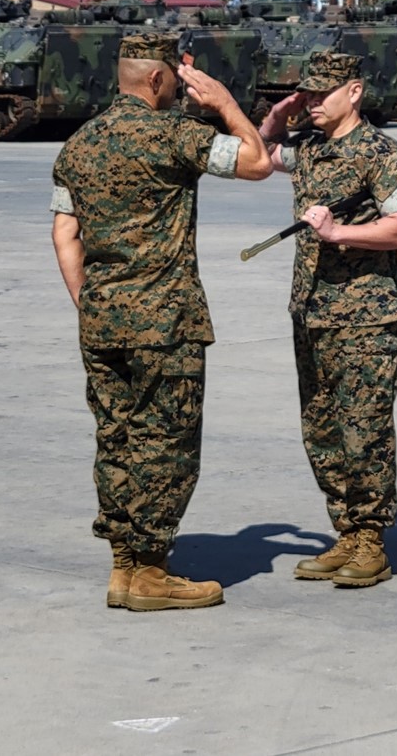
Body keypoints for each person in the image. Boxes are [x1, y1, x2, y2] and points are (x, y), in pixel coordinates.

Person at [50, 33, 271, 610]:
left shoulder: (78, 145)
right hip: (165, 323)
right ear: (155, 79)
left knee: (116, 438)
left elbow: (64, 233)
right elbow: (256, 162)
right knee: (166, 445)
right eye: (175, 77)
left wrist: (92, 301)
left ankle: (124, 566)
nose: (178, 86)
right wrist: (223, 104)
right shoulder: (174, 135)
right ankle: (150, 571)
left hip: (101, 320)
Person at [257, 51, 397, 588]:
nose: (313, 102)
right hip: (310, 312)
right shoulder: (309, 150)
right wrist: (281, 112)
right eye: (308, 91)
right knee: (321, 428)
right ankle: (345, 530)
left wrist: (337, 235)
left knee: (364, 429)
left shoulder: (383, 153)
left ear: (354, 92)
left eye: (322, 92)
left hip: (363, 318)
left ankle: (371, 538)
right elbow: (261, 153)